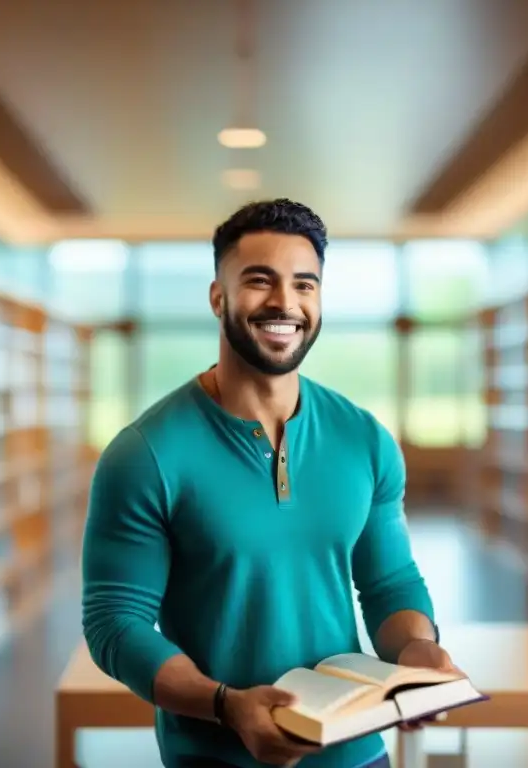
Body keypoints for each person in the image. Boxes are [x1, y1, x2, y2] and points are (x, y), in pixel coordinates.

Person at [81, 198, 457, 768]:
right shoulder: (144, 454)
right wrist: (226, 705)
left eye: (305, 285)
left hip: (356, 752)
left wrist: (418, 650)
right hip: (213, 757)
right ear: (218, 297)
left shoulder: (366, 440)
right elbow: (115, 622)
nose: (285, 302)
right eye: (260, 281)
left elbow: (390, 582)